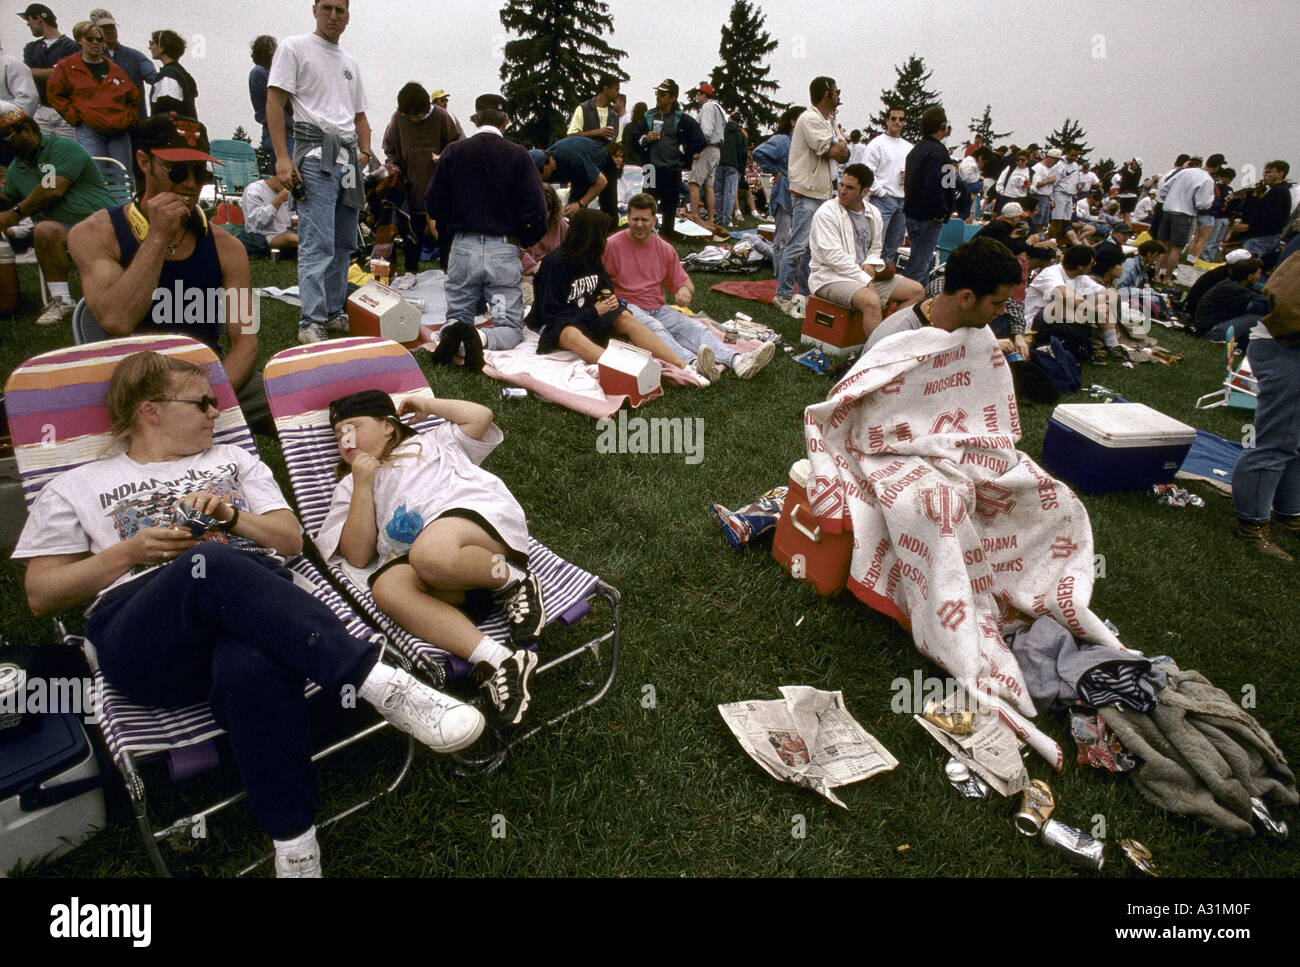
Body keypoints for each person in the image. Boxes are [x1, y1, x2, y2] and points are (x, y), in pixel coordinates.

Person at [12, 350, 487, 878]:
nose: (218, 412)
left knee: (250, 665)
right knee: (209, 562)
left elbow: (289, 541)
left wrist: (234, 517)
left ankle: (295, 848)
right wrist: (129, 552)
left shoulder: (235, 462)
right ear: (151, 410)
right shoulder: (77, 484)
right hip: (146, 632)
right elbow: (41, 593)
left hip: (261, 609)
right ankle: (380, 681)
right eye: (203, 402)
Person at [317, 388, 544, 727]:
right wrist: (362, 485)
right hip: (447, 578)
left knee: (429, 554)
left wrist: (427, 404)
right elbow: (358, 555)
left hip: (480, 532)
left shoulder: (434, 441)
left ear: (389, 427)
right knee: (387, 587)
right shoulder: (350, 487)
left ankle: (514, 580)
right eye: (339, 435)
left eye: (353, 427)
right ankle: (499, 661)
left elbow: (480, 416)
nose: (346, 439)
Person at [68, 113, 274, 433]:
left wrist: (207, 397)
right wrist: (157, 237)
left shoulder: (228, 247)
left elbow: (246, 341)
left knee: (305, 409)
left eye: (200, 172)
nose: (191, 185)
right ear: (144, 162)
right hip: (135, 386)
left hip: (210, 380)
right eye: (178, 171)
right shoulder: (94, 233)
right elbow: (116, 319)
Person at [267, 0, 373, 345]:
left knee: (345, 240)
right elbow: (275, 102)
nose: (333, 15)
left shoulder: (350, 63)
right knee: (318, 240)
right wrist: (283, 158)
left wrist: (365, 152)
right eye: (326, 7)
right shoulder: (294, 47)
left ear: (348, 15)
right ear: (314, 10)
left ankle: (332, 310)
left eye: (339, 10)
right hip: (314, 157)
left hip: (346, 161)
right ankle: (310, 319)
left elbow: (360, 118)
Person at [425, 92, 547, 365]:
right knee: (507, 325)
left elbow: (433, 202)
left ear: (476, 119)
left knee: (458, 313)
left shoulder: (454, 152)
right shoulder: (519, 155)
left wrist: (451, 229)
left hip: (463, 248)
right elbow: (538, 210)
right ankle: (480, 340)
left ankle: (455, 334)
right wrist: (523, 240)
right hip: (502, 251)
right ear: (506, 120)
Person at [603, 193, 775, 381]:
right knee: (656, 329)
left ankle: (738, 361)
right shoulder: (612, 245)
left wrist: (684, 291)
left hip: (657, 308)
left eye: (644, 219)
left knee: (693, 327)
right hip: (627, 308)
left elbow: (685, 284)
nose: (639, 224)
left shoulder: (664, 249)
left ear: (654, 220)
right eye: (635, 219)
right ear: (627, 217)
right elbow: (598, 282)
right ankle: (692, 364)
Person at [526, 207, 693, 374]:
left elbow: (605, 287)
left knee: (624, 316)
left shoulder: (592, 257)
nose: (605, 240)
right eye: (602, 235)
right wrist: (594, 311)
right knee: (571, 334)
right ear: (589, 236)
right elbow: (551, 314)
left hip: (586, 315)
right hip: (556, 322)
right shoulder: (554, 263)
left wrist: (609, 299)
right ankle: (631, 372)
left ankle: (685, 366)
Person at [0, 100, 112, 325]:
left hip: (101, 226)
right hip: (64, 231)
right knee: (44, 229)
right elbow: (7, 198)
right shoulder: (17, 166)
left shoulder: (59, 148)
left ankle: (65, 299)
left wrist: (14, 213)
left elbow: (52, 190)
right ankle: (62, 300)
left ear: (29, 129)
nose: (5, 145)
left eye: (7, 137)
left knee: (44, 229)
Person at [1230, 252, 1300, 561]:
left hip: (1286, 344)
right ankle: (1252, 523)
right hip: (1285, 346)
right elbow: (1283, 301)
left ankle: (1289, 512)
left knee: (1294, 440)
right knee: (1276, 441)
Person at [809, 163, 924, 337]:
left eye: (850, 188)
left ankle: (891, 338)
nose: (842, 191)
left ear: (864, 192)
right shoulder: (826, 213)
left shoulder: (874, 213)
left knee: (916, 291)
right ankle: (874, 356)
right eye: (841, 185)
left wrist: (871, 263)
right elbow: (832, 257)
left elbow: (875, 248)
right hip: (829, 277)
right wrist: (864, 279)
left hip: (862, 275)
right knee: (871, 301)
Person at [774, 76, 849, 317]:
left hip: (821, 192)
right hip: (807, 192)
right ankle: (783, 295)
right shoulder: (809, 119)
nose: (839, 95)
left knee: (812, 249)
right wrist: (840, 144)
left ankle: (804, 294)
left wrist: (839, 142)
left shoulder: (828, 122)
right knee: (797, 245)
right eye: (836, 91)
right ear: (827, 94)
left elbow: (844, 155)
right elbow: (837, 150)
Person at [865, 236, 1023, 349]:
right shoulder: (894, 341)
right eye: (997, 303)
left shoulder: (975, 328)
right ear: (966, 298)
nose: (1002, 310)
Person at [381, 81, 458, 273]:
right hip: (411, 188)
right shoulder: (398, 118)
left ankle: (447, 275)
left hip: (440, 190)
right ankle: (411, 273)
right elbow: (390, 149)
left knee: (445, 236)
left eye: (419, 115)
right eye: (410, 116)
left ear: (427, 108)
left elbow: (457, 147)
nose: (414, 120)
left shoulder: (442, 117)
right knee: (412, 235)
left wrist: (444, 159)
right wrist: (394, 168)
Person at [46, 20, 139, 178]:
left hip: (119, 131)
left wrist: (129, 118)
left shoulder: (114, 69)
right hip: (90, 129)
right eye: (90, 39)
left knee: (122, 176)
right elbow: (55, 93)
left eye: (99, 39)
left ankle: (123, 203)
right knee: (96, 176)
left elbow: (133, 96)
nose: (95, 43)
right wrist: (75, 117)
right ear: (79, 40)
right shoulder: (67, 67)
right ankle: (99, 204)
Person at [625, 79, 706, 242]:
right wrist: (645, 139)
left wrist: (683, 150)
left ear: (672, 97)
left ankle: (665, 240)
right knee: (645, 204)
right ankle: (641, 236)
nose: (659, 97)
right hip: (650, 168)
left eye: (663, 94)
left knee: (669, 208)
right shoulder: (648, 116)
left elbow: (701, 140)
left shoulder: (681, 118)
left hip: (672, 169)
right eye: (657, 93)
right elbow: (634, 139)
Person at [901, 105, 957, 288]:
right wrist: (944, 210)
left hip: (912, 214)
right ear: (942, 126)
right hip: (930, 217)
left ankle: (921, 301)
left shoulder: (915, 151)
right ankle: (907, 304)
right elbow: (945, 184)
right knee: (919, 267)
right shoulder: (940, 153)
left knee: (921, 265)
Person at [753, 106, 802, 281]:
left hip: (800, 194)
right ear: (793, 121)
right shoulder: (782, 140)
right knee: (782, 237)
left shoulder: (803, 142)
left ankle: (793, 273)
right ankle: (780, 274)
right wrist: (776, 171)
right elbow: (759, 153)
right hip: (784, 192)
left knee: (798, 237)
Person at [860, 102, 910, 264]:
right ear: (887, 121)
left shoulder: (909, 147)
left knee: (892, 247)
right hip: (882, 200)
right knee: (874, 245)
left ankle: (885, 282)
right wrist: (882, 193)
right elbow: (867, 172)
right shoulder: (876, 144)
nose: (897, 122)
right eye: (893, 118)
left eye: (901, 119)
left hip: (902, 201)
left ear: (904, 122)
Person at [19, 3, 76, 140]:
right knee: (43, 154)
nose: (28, 24)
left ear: (38, 18)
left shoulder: (72, 47)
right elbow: (25, 74)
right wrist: (53, 71)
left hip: (66, 112)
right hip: (41, 110)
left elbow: (64, 76)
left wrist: (33, 71)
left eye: (29, 19)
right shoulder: (31, 48)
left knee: (67, 154)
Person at [90, 8, 153, 131]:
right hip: (102, 125)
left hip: (134, 123)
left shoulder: (135, 56)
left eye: (112, 28)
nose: (109, 32)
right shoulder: (88, 57)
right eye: (104, 28)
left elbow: (154, 78)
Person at [531, 135, 620, 218]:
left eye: (540, 178)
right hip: (578, 171)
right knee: (573, 210)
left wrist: (580, 204)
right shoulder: (547, 163)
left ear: (545, 169)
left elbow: (601, 182)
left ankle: (612, 231)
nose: (540, 181)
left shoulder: (572, 159)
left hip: (603, 163)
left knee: (608, 210)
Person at [686, 82, 728, 239]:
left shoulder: (708, 108)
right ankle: (710, 219)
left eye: (699, 94)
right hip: (716, 150)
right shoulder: (719, 109)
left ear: (704, 95)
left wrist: (696, 149)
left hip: (706, 148)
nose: (697, 96)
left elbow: (706, 132)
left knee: (693, 184)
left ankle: (695, 218)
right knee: (708, 186)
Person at [1229, 161, 1293, 259]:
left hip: (1261, 237)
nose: (1265, 175)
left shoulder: (1279, 191)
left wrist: (1250, 227)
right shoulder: (1275, 190)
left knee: (1248, 264)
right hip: (1263, 235)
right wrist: (1255, 195)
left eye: (1269, 172)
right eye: (1264, 172)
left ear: (1280, 174)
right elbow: (1255, 211)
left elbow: (1271, 217)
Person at [248, 35, 292, 169]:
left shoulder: (265, 73)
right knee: (287, 170)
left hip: (286, 129)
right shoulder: (260, 73)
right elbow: (283, 100)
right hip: (277, 130)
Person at [240, 170, 299, 258]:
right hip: (261, 236)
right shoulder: (254, 190)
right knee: (291, 238)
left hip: (283, 233)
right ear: (278, 175)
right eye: (288, 182)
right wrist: (278, 200)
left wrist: (292, 222)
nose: (289, 186)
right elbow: (256, 223)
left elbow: (283, 222)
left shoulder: (288, 192)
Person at [146, 29, 195, 119]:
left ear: (162, 47)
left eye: (152, 43)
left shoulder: (168, 75)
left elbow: (167, 109)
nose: (149, 47)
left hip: (168, 132)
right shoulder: (183, 74)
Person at [567, 72, 620, 143]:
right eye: (616, 89)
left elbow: (618, 142)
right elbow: (571, 136)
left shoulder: (615, 116)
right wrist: (597, 132)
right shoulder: (583, 109)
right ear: (606, 89)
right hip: (586, 154)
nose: (618, 93)